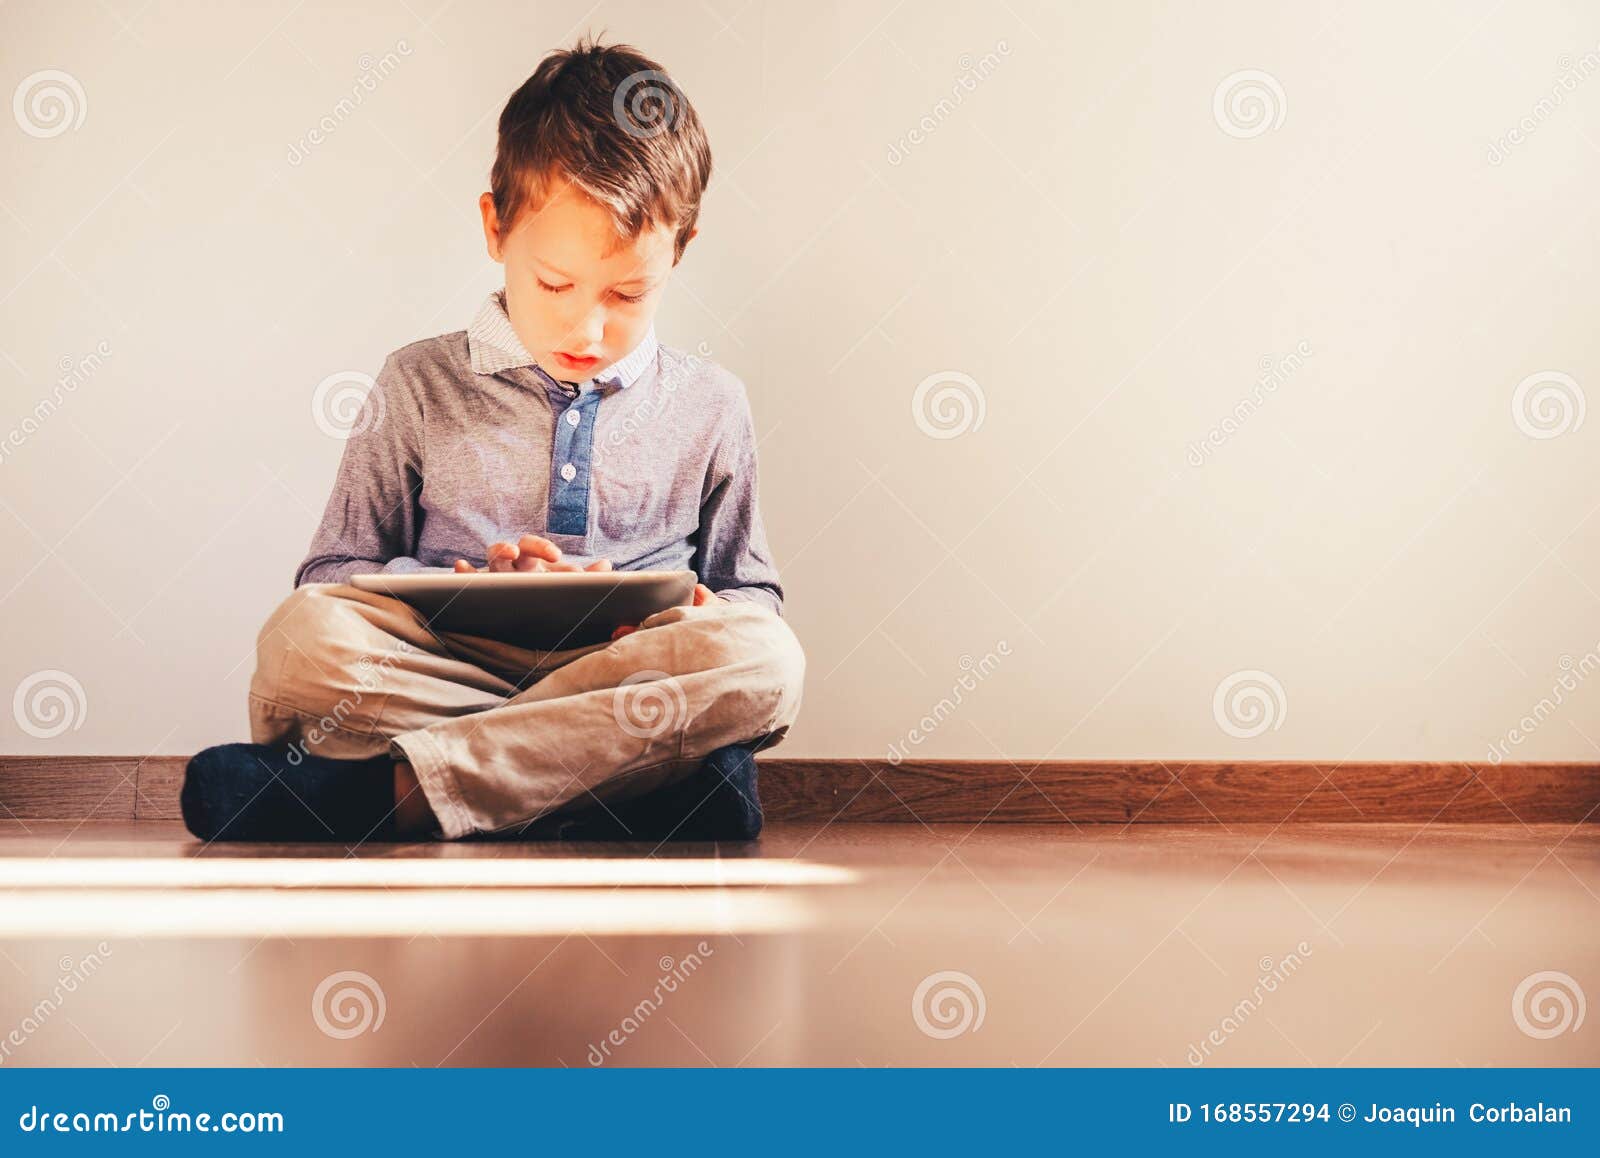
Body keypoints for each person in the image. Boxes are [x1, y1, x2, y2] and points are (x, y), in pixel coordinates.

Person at [179, 37, 805, 844]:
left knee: (767, 659)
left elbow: (750, 595)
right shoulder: (417, 382)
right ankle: (628, 787)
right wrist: (461, 584)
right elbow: (332, 574)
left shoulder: (713, 404)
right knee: (303, 639)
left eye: (627, 293)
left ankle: (388, 795)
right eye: (554, 284)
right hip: (458, 666)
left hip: (631, 669)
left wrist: (673, 610)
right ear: (495, 228)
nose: (588, 326)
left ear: (678, 252)